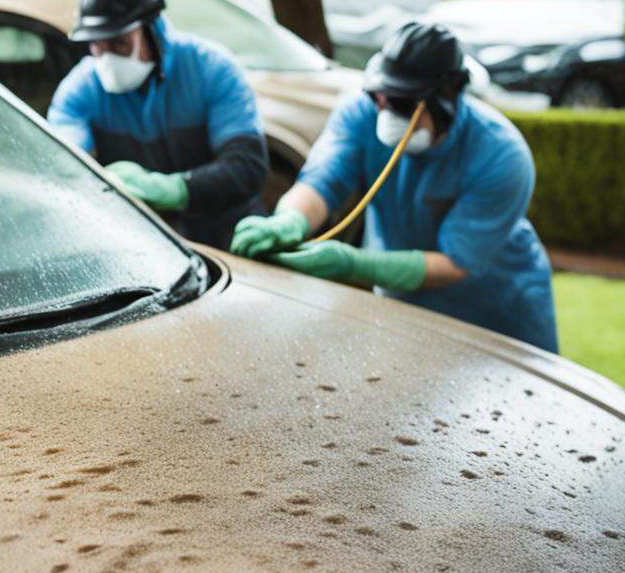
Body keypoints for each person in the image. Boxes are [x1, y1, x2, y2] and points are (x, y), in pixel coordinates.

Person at [230, 22, 559, 354]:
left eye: (401, 101)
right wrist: (290, 220)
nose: (384, 109)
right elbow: (323, 180)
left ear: (446, 98)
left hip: (495, 313)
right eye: (378, 95)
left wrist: (354, 264)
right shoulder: (360, 113)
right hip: (402, 305)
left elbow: (456, 263)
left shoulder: (500, 154)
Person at [47, 0, 268, 249]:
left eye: (119, 43)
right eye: (97, 47)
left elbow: (247, 167)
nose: (107, 59)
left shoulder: (212, 70)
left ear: (151, 29)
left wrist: (175, 190)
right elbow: (64, 168)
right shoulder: (79, 91)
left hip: (231, 239)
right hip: (146, 248)